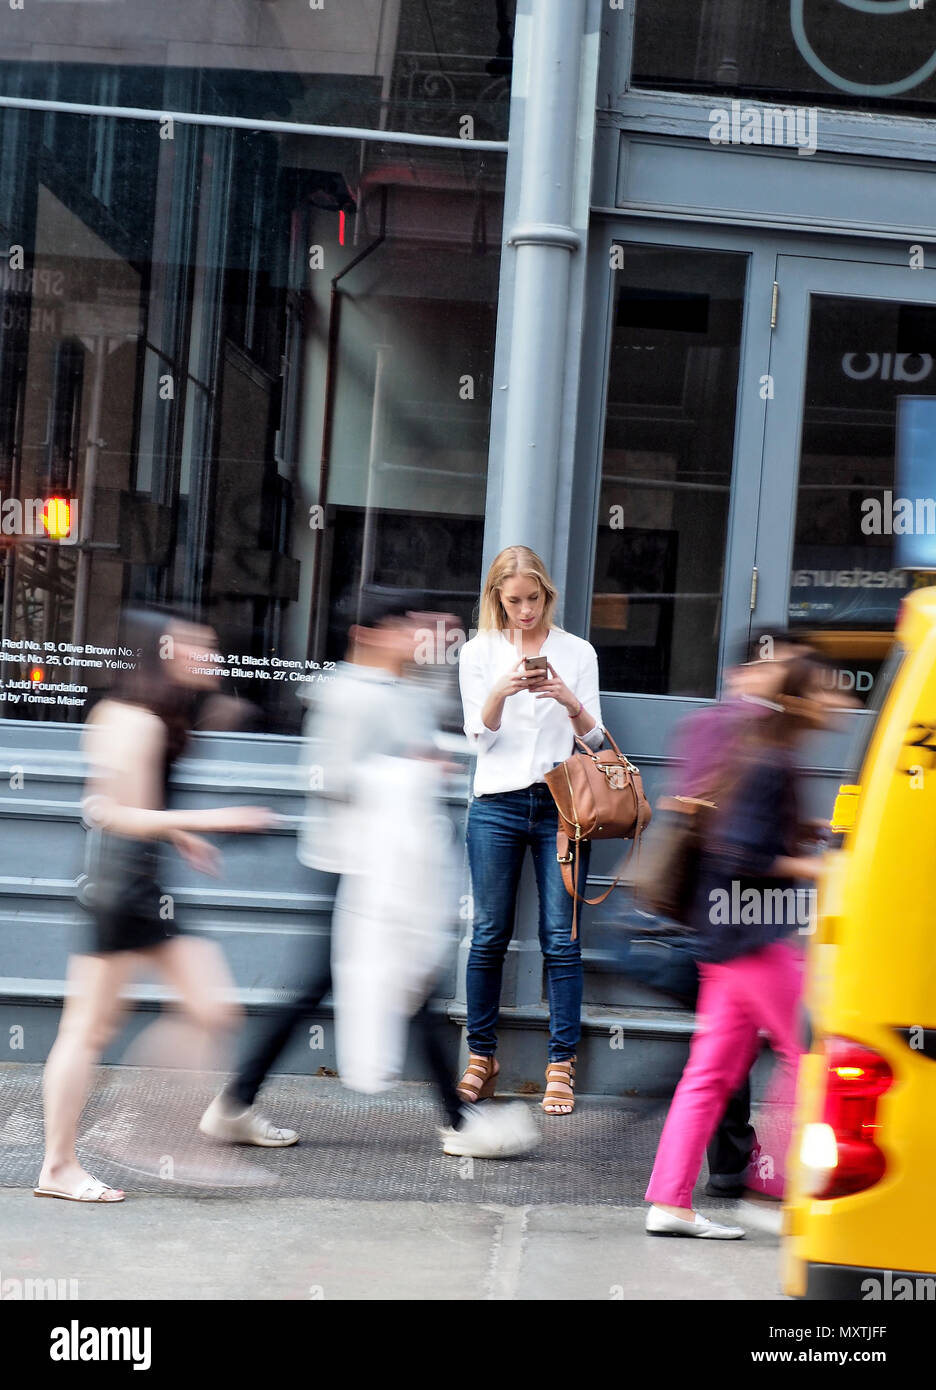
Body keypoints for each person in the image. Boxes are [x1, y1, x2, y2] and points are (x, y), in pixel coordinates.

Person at [199, 594, 538, 1160]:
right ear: (368, 633)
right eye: (406, 629)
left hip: (387, 867)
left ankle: (235, 1102)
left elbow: (418, 746)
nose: (417, 639)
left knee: (390, 985)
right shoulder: (347, 693)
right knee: (400, 986)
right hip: (348, 865)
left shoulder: (402, 689)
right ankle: (458, 1123)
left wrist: (426, 758)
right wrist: (410, 768)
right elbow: (327, 778)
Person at [34, 609, 277, 1204]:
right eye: (201, 646)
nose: (212, 658)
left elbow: (137, 810)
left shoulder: (143, 716)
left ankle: (130, 1139)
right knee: (90, 1029)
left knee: (204, 1011)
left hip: (136, 890)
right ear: (164, 651)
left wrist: (181, 836)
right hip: (123, 894)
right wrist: (211, 820)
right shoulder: (134, 721)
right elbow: (109, 813)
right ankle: (74, 1160)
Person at [644, 653, 829, 1238]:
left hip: (720, 936)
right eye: (825, 691)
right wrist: (820, 868)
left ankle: (669, 1203)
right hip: (753, 939)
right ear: (799, 703)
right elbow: (742, 855)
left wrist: (809, 839)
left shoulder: (756, 753)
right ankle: (773, 1194)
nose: (839, 700)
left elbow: (737, 840)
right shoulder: (773, 761)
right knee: (814, 1055)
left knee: (708, 1075)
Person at [457, 545, 604, 1116]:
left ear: (548, 595)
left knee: (560, 938)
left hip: (561, 809)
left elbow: (595, 742)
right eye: (514, 601)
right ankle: (481, 1057)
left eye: (534, 600)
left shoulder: (578, 652)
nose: (525, 611)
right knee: (490, 932)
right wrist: (500, 690)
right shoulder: (477, 652)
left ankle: (561, 1063)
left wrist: (569, 700)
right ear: (497, 598)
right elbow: (480, 737)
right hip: (495, 804)